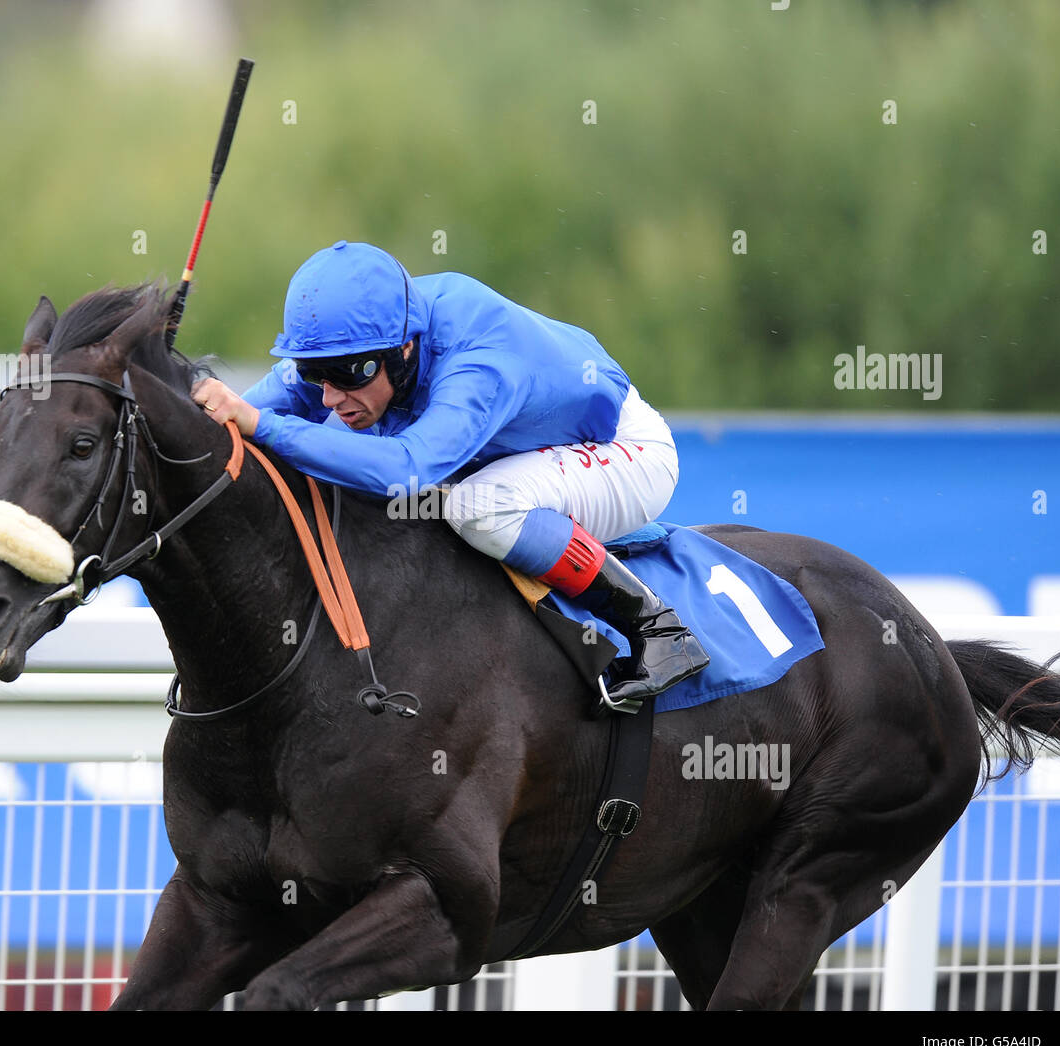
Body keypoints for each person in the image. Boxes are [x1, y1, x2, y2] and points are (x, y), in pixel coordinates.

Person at [191, 240, 708, 703]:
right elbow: (241, 414)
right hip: (518, 447)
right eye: (313, 374)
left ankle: (657, 628)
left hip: (623, 448)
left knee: (476, 506)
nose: (329, 396)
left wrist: (263, 425)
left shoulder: (478, 362)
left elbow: (408, 469)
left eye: (348, 375)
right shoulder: (362, 337)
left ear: (405, 349)